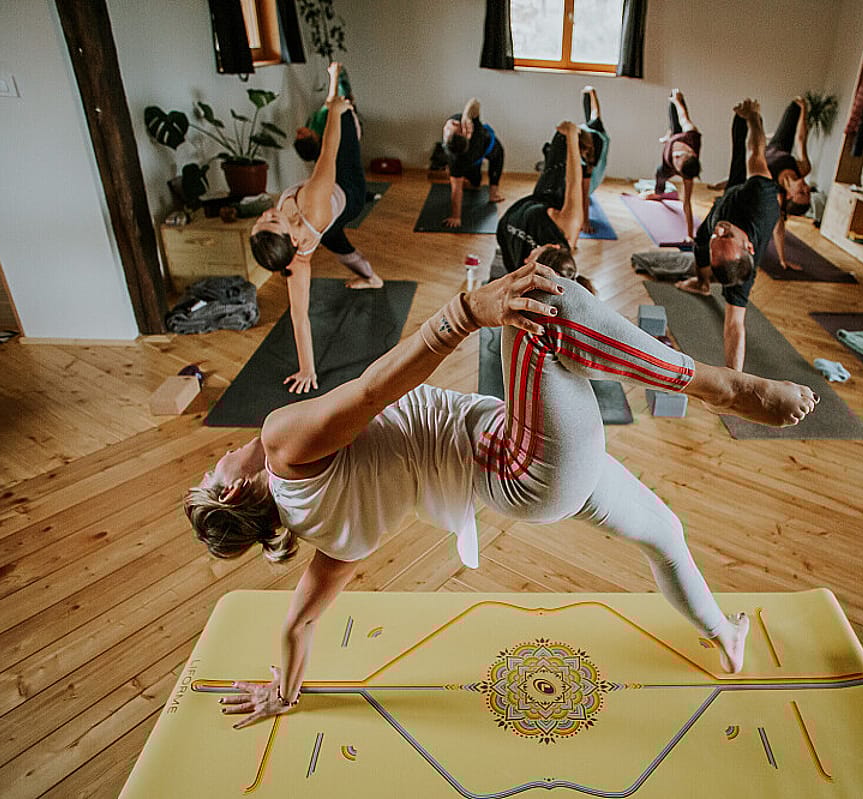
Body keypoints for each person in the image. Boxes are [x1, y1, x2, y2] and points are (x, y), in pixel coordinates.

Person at [185, 259, 819, 729]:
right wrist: (466, 313)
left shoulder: (327, 536)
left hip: (529, 469)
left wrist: (284, 694)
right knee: (542, 302)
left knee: (665, 534)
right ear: (239, 486)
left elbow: (301, 622)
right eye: (211, 473)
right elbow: (374, 391)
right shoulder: (280, 445)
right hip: (518, 460)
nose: (215, 457)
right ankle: (720, 387)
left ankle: (723, 635)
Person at [249, 63, 382, 395]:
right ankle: (339, 86)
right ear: (292, 239)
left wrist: (307, 368)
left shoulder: (289, 254)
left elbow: (299, 317)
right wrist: (334, 106)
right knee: (340, 118)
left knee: (336, 241)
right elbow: (329, 151)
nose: (266, 213)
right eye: (272, 219)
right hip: (348, 189)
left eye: (260, 222)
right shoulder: (313, 201)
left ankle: (372, 278)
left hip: (325, 226)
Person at [676, 99, 779, 372]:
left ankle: (702, 282)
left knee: (702, 236)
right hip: (742, 196)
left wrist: (735, 380)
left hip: (735, 198)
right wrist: (755, 116)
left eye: (717, 240)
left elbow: (735, 326)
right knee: (743, 150)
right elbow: (757, 148)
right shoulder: (758, 199)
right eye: (723, 237)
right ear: (747, 246)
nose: (718, 230)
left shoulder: (739, 274)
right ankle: (701, 283)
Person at [496, 120, 586, 274]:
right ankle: (579, 146)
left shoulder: (526, 271)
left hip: (529, 209)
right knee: (561, 141)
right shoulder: (567, 225)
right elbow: (574, 182)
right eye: (531, 259)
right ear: (553, 247)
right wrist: (571, 135)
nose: (526, 260)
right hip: (550, 191)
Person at [644, 89, 702, 242]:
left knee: (662, 171)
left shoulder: (686, 173)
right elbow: (684, 117)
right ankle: (658, 193)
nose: (676, 164)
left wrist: (690, 235)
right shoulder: (691, 136)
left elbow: (687, 203)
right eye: (678, 161)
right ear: (687, 155)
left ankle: (669, 135)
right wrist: (677, 100)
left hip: (670, 152)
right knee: (674, 106)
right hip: (676, 137)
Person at [763, 98, 813, 271]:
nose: (806, 188)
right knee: (794, 108)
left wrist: (782, 260)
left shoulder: (773, 188)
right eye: (808, 192)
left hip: (759, 154)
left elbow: (779, 229)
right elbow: (800, 139)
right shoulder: (803, 168)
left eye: (802, 193)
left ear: (790, 195)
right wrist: (804, 109)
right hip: (778, 146)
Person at [442, 98, 505, 228]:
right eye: (454, 127)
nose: (453, 123)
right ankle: (473, 180)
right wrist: (456, 217)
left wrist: (466, 116)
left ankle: (493, 195)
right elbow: (456, 189)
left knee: (498, 157)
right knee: (476, 184)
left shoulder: (460, 132)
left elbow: (475, 102)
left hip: (490, 146)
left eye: (452, 127)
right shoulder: (457, 159)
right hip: (475, 157)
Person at [578, 85, 611, 234]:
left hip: (598, 140)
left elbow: (584, 194)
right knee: (593, 116)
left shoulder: (592, 159)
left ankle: (591, 92)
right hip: (587, 138)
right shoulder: (578, 137)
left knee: (595, 116)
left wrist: (585, 222)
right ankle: (589, 93)